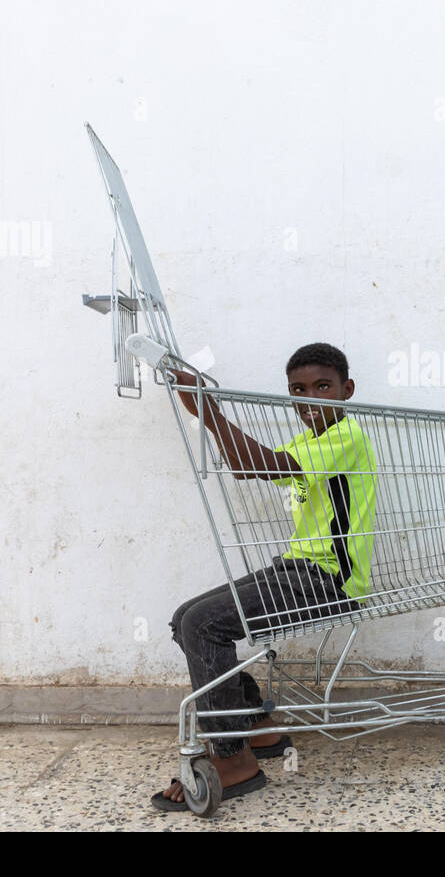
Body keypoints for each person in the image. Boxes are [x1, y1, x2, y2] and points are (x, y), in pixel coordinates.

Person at [151, 342, 377, 810]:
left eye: (322, 387)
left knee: (203, 625)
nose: (309, 399)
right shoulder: (312, 440)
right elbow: (249, 466)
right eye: (298, 390)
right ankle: (257, 726)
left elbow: (268, 465)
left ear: (346, 390)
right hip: (296, 569)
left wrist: (211, 412)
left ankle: (233, 762)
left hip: (328, 579)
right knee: (184, 618)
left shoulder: (347, 436)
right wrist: (201, 407)